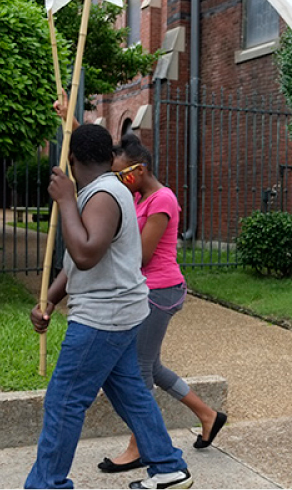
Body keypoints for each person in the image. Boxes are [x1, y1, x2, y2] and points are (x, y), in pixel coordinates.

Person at [27, 124, 192, 489]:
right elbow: (75, 266)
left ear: (71, 159)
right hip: (119, 312)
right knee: (130, 391)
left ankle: (46, 484)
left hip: (104, 317)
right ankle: (168, 467)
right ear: (108, 156)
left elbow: (86, 254)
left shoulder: (102, 195)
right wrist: (49, 301)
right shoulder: (102, 191)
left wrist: (66, 201)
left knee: (64, 400)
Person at [94, 134, 226, 474]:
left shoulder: (162, 199)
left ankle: (139, 446)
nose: (119, 181)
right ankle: (208, 415)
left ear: (141, 170)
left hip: (159, 291)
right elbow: (96, 150)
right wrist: (72, 119)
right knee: (152, 368)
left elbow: (142, 254)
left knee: (136, 371)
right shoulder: (140, 198)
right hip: (147, 291)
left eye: (122, 175)